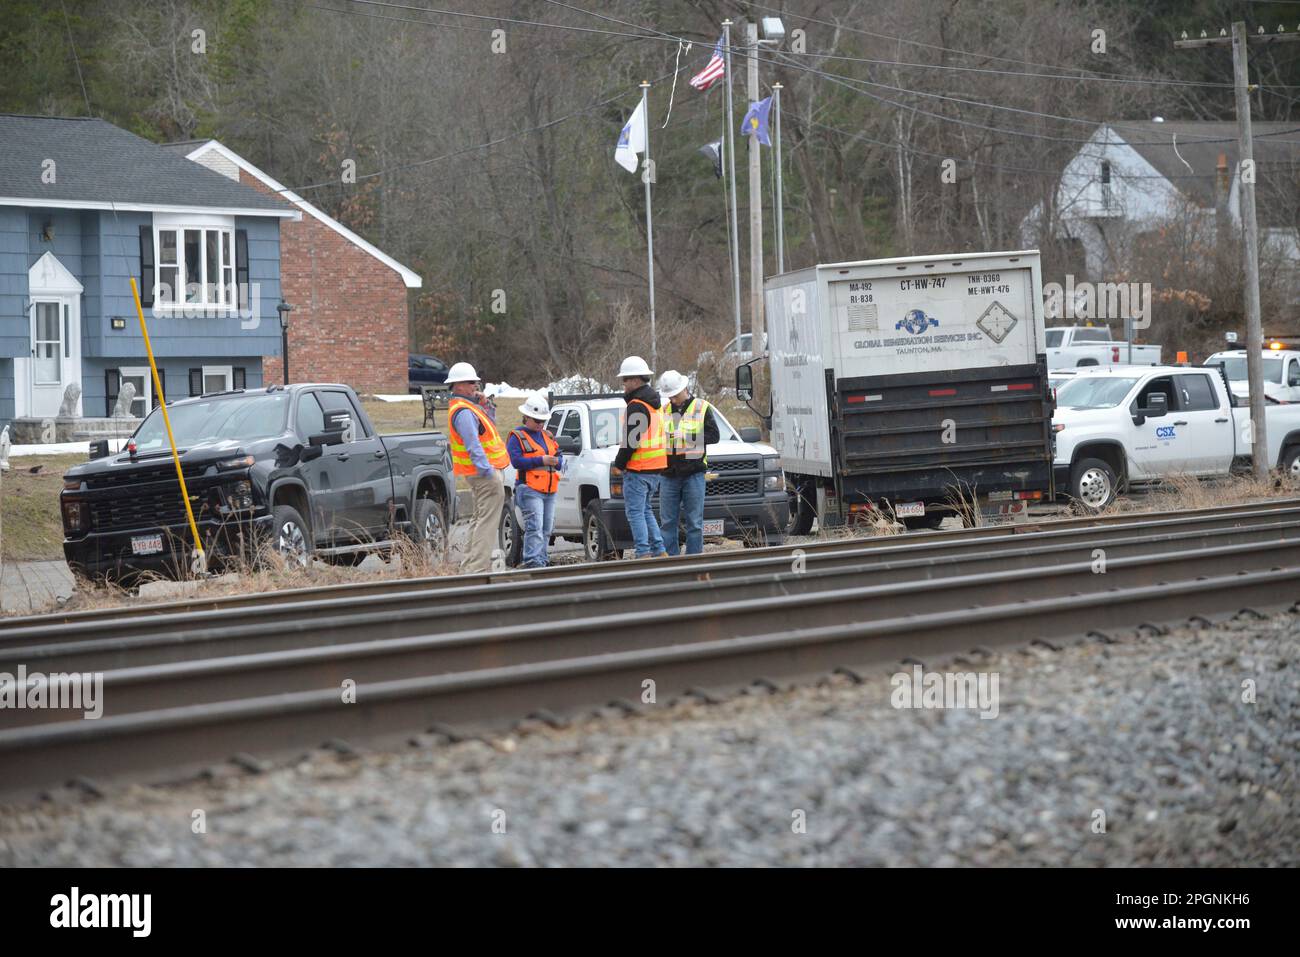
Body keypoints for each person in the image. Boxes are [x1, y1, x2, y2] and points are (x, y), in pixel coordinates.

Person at [446, 362, 508, 573]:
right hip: (484, 474)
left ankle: (470, 567)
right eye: (471, 382)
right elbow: (473, 445)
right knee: (487, 523)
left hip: (479, 473)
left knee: (479, 519)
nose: (475, 385)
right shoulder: (463, 412)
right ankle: (478, 570)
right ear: (458, 385)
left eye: (475, 382)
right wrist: (488, 472)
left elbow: (488, 427)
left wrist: (486, 405)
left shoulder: (468, 407)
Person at [657, 370, 720, 556]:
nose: (672, 400)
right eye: (669, 396)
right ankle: (671, 565)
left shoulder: (701, 407)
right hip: (669, 474)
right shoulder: (664, 411)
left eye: (674, 395)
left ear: (684, 389)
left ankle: (694, 564)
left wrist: (688, 436)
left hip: (694, 473)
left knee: (694, 523)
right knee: (668, 523)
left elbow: (714, 436)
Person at [612, 355, 667, 558]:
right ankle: (659, 551)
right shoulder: (654, 403)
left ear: (635, 380)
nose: (623, 384)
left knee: (635, 512)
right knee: (645, 511)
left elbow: (631, 440)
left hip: (639, 468)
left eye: (625, 380)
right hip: (655, 468)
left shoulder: (637, 404)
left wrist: (619, 464)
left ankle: (643, 553)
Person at [506, 391, 563, 568]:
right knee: (535, 527)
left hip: (550, 489)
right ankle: (532, 561)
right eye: (537, 420)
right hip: (529, 488)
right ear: (526, 417)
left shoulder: (548, 436)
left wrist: (557, 461)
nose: (540, 424)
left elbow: (559, 457)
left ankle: (541, 560)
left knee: (546, 529)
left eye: (543, 421)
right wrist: (541, 460)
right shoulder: (516, 437)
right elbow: (516, 461)